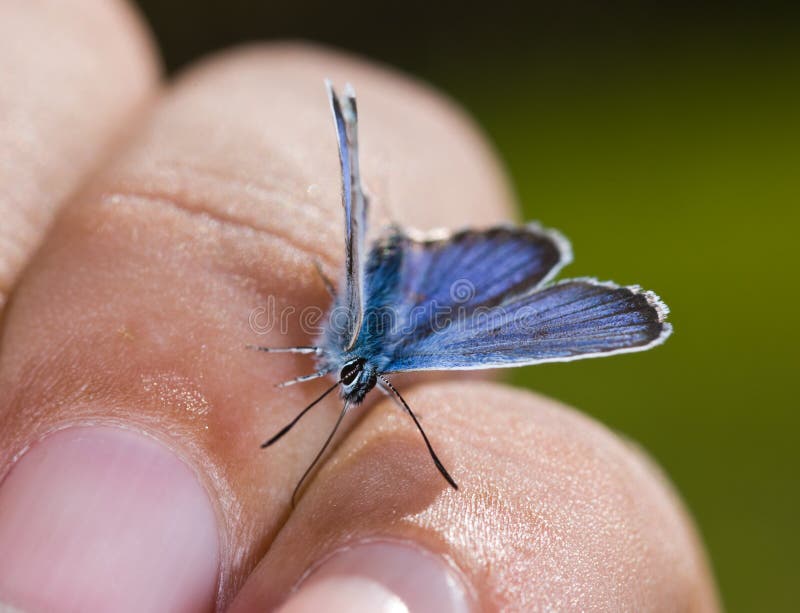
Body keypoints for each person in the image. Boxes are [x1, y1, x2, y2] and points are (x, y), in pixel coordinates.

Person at [0, 1, 718, 610]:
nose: (351, 388)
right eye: (356, 385)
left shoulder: (377, 366)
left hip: (416, 290)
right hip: (421, 290)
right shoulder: (362, 361)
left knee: (438, 341)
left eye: (357, 384)